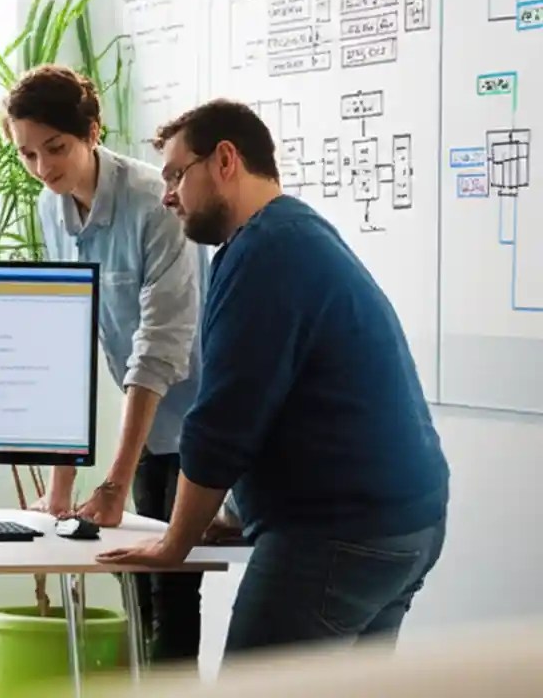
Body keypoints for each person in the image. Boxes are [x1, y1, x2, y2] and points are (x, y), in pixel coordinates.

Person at [99, 99, 450, 657]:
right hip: (407, 520)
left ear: (225, 160)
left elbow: (223, 422)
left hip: (339, 532)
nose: (167, 196)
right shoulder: (296, 232)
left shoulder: (264, 252)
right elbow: (289, 403)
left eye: (176, 175)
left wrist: (174, 544)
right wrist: (238, 513)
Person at [1, 64, 209, 665]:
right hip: (144, 425)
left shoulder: (154, 204)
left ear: (91, 132)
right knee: (135, 587)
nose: (43, 168)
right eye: (27, 154)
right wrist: (60, 487)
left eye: (56, 148)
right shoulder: (51, 208)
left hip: (199, 420)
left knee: (173, 594)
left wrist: (114, 484)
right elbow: (68, 338)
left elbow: (157, 348)